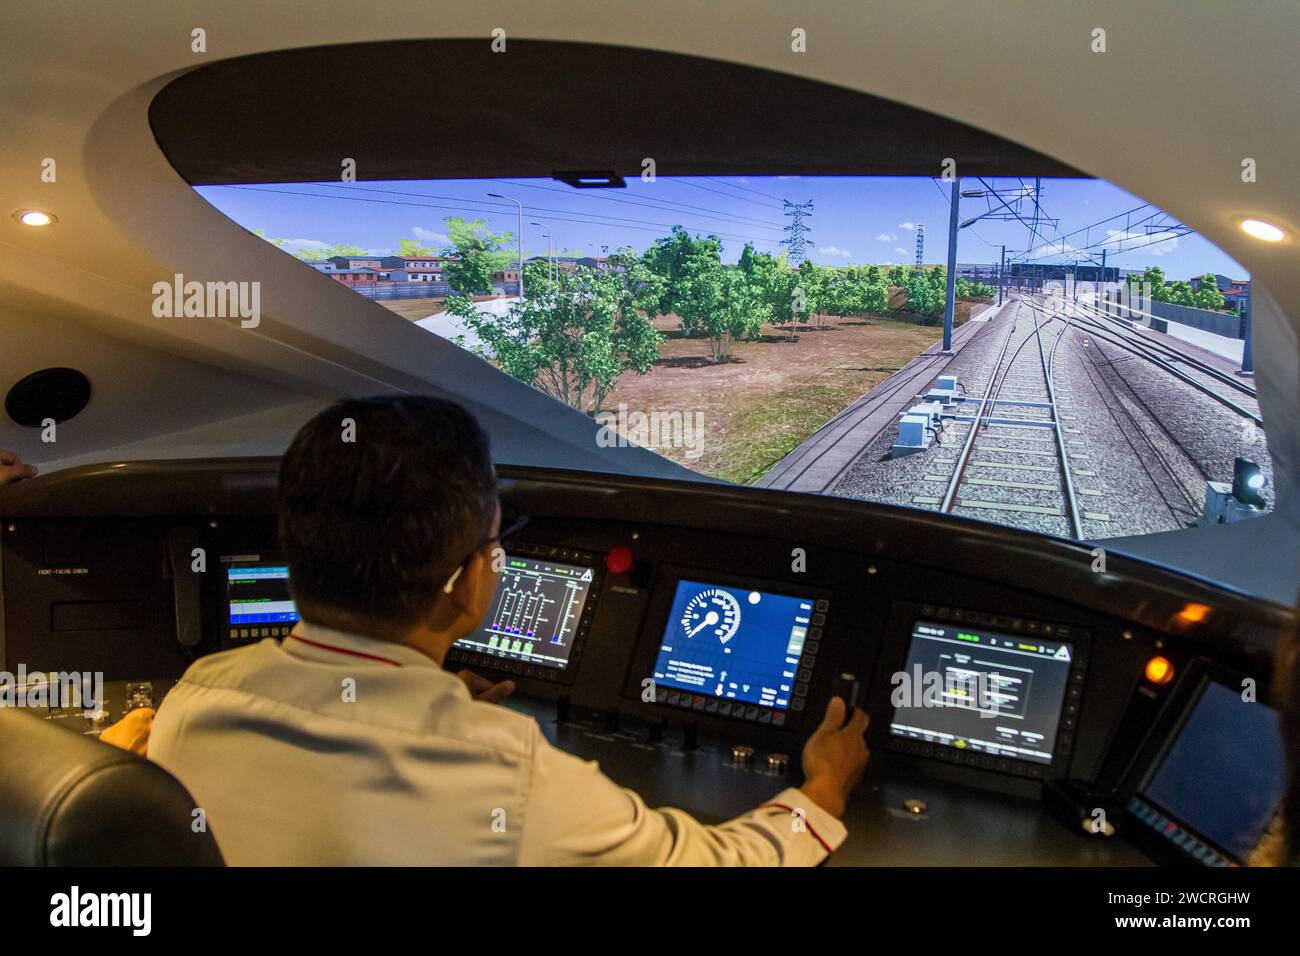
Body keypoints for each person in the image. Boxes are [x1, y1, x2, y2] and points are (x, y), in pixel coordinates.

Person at [148, 395, 870, 865]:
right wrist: (823, 791)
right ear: (467, 582)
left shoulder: (194, 702)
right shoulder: (508, 775)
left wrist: (425, 707)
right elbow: (720, 863)